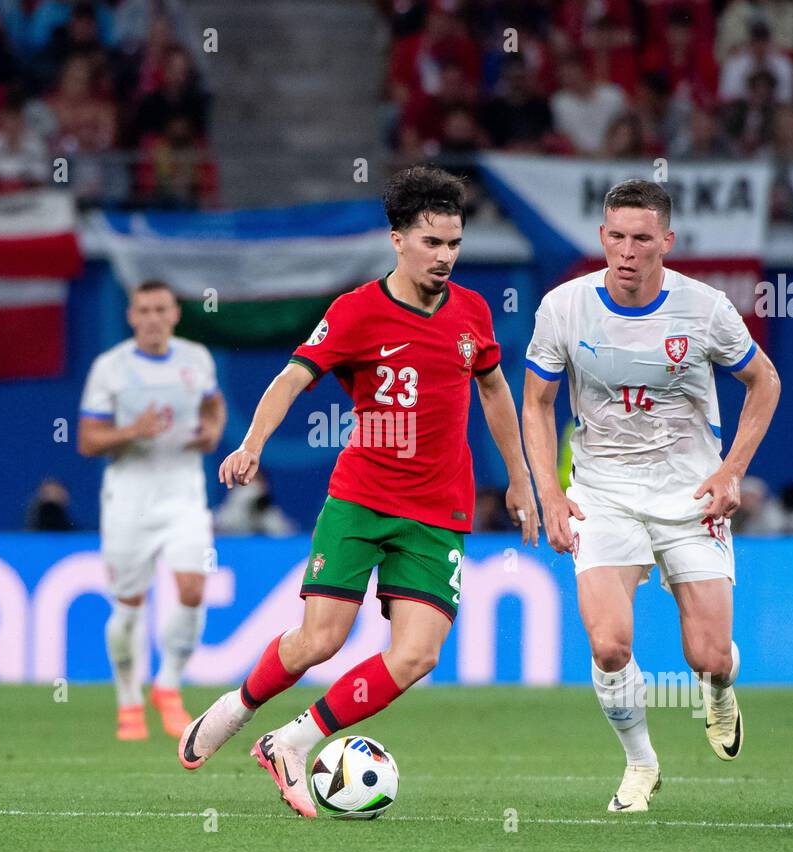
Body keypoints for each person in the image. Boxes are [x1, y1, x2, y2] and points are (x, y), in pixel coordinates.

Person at [178, 165, 539, 817]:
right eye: (433, 242)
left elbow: (493, 388)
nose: (446, 257)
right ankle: (238, 706)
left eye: (454, 243)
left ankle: (294, 740)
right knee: (319, 642)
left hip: (438, 509)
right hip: (362, 499)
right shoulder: (356, 311)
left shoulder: (471, 312)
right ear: (397, 239)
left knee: (417, 655)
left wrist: (519, 477)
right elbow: (291, 379)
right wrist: (253, 443)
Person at [521, 179, 781, 813]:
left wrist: (731, 470)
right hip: (603, 494)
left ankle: (719, 690)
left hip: (690, 495)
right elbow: (536, 401)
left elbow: (764, 381)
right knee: (609, 643)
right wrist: (550, 496)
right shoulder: (564, 308)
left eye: (642, 238)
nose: (628, 251)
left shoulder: (705, 309)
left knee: (708, 654)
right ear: (601, 237)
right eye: (616, 236)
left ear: (667, 241)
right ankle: (641, 764)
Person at [77, 280, 226, 742]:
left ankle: (168, 685)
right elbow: (86, 441)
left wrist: (213, 432)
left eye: (161, 309)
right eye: (143, 310)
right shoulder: (111, 368)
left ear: (175, 314)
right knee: (128, 606)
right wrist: (131, 431)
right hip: (128, 500)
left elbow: (213, 404)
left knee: (193, 587)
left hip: (183, 494)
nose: (153, 318)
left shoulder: (195, 358)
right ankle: (128, 699)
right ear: (131, 316)